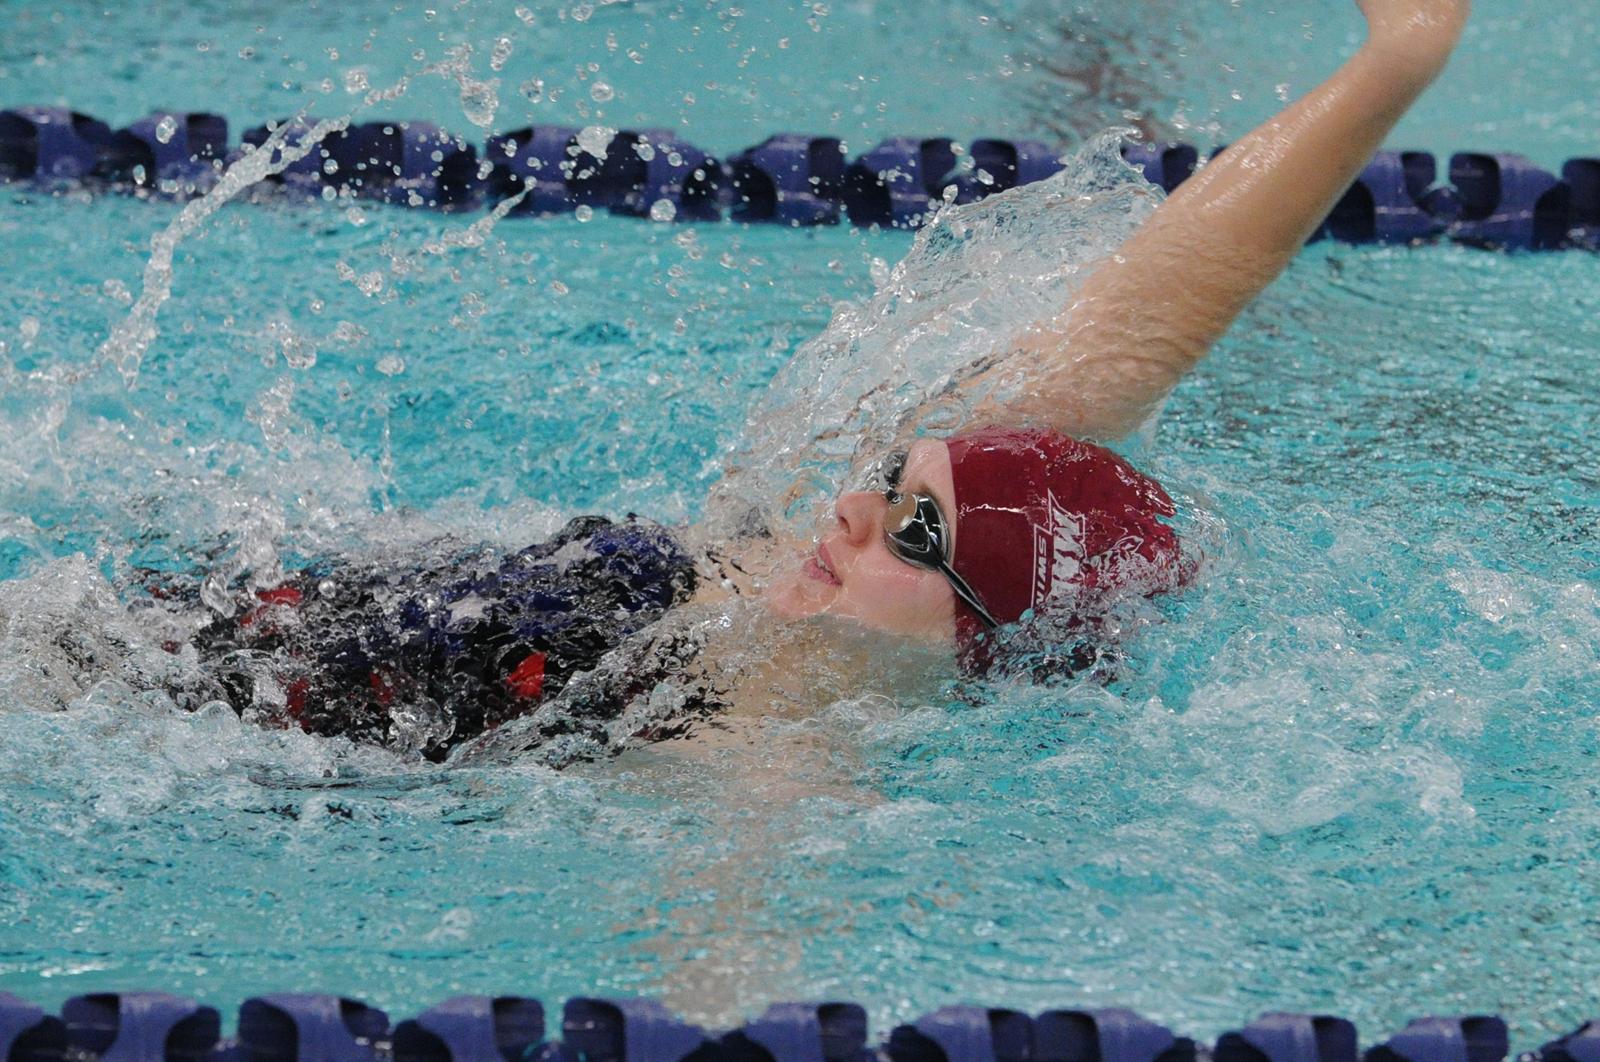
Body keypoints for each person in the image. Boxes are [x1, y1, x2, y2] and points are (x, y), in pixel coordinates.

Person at [184, 0, 1471, 764]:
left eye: (911, 531)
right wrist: (1397, 64)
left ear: (983, 645)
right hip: (237, 610)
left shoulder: (772, 754)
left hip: (191, 717)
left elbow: (721, 973)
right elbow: (1155, 308)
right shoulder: (810, 581)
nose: (850, 514)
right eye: (888, 486)